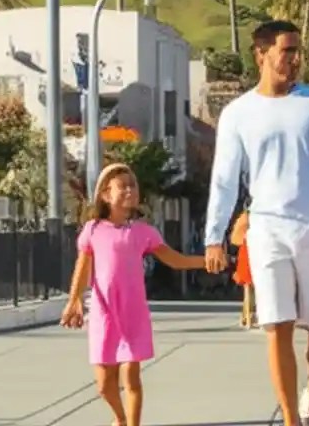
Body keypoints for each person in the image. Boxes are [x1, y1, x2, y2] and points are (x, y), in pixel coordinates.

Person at [203, 20, 309, 426]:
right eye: (287, 51)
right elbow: (224, 178)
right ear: (262, 54)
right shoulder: (238, 114)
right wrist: (214, 236)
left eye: (297, 51)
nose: (296, 58)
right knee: (276, 325)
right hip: (266, 229)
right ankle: (289, 418)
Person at [60, 162, 209, 426]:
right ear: (106, 194)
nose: (130, 190)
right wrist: (73, 301)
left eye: (133, 185)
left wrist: (206, 261)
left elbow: (176, 260)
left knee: (131, 377)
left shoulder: (143, 232)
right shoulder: (92, 230)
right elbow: (82, 270)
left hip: (133, 314)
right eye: (123, 186)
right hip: (104, 315)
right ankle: (120, 418)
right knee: (104, 386)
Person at [231, 210, 255, 329]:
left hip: (247, 251)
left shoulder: (245, 217)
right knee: (251, 287)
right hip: (252, 252)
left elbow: (235, 239)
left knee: (248, 288)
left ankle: (247, 315)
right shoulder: (248, 217)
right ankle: (249, 315)